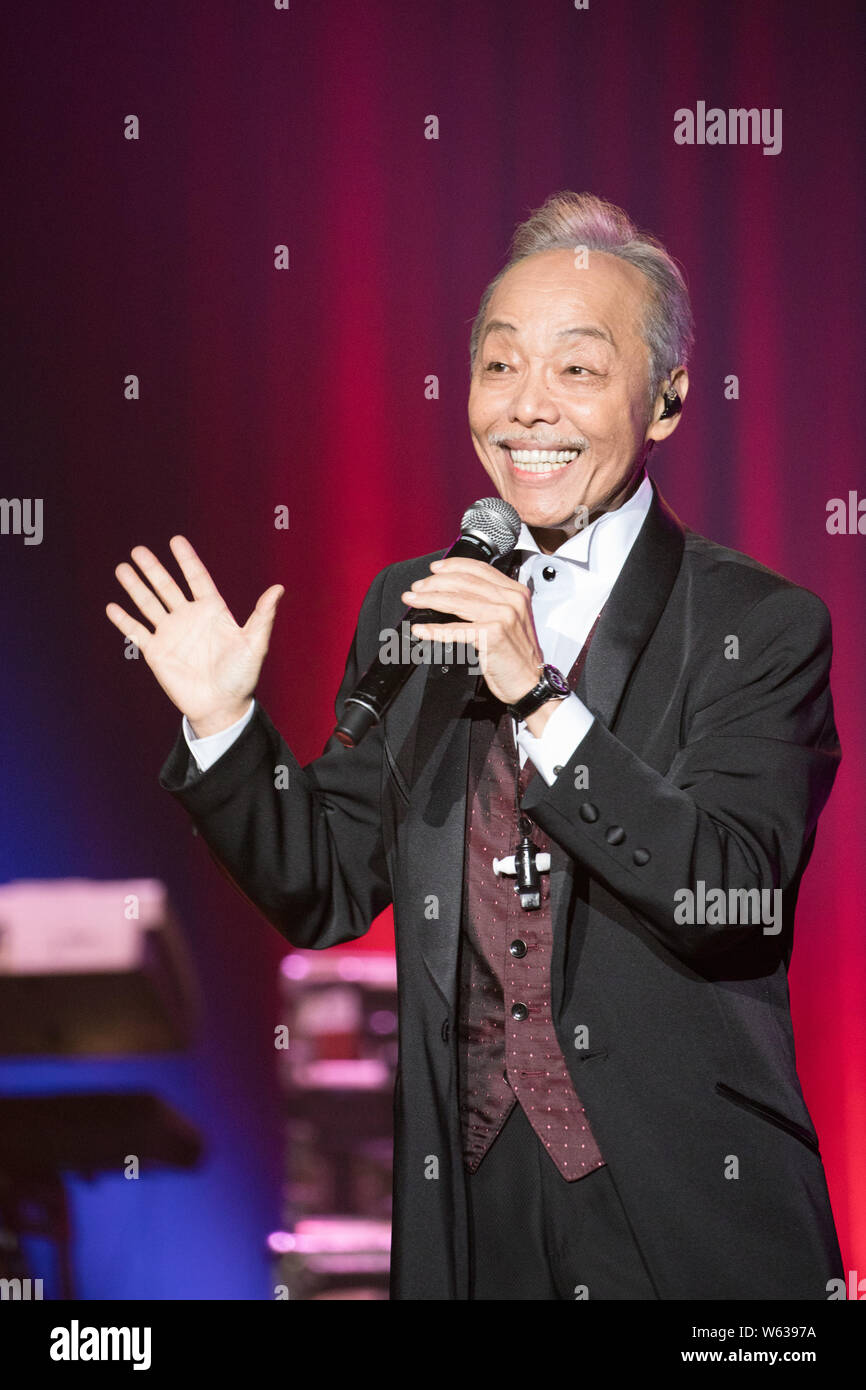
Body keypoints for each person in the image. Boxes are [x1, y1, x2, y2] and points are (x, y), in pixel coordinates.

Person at [106, 192, 844, 1300]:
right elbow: (326, 884)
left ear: (668, 400)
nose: (525, 408)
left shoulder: (755, 625)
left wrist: (540, 701)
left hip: (685, 1219)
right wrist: (221, 724)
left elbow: (724, 891)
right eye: (499, 367)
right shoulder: (415, 604)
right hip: (471, 1220)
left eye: (577, 371)